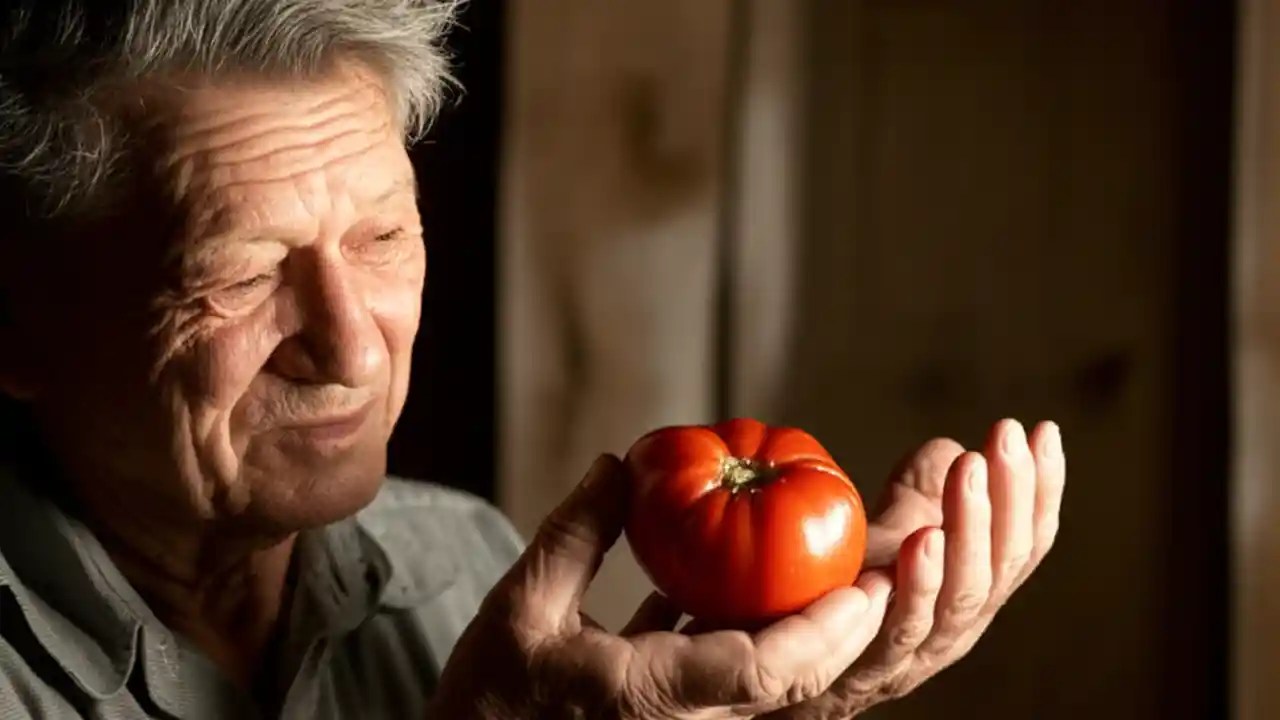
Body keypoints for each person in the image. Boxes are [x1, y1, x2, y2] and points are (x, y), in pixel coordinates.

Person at [0, 1, 1066, 718]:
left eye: (384, 238)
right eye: (238, 277)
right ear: (19, 327)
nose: (353, 344)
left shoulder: (460, 559)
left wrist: (798, 704)